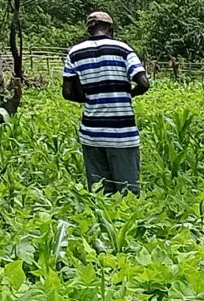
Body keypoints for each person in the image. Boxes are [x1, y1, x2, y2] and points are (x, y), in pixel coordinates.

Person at [61, 11, 150, 194]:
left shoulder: (75, 52)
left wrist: (92, 97)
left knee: (100, 193)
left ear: (90, 29)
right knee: (128, 194)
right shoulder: (123, 49)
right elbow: (144, 84)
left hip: (91, 133)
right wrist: (126, 95)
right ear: (111, 28)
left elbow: (67, 92)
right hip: (122, 133)